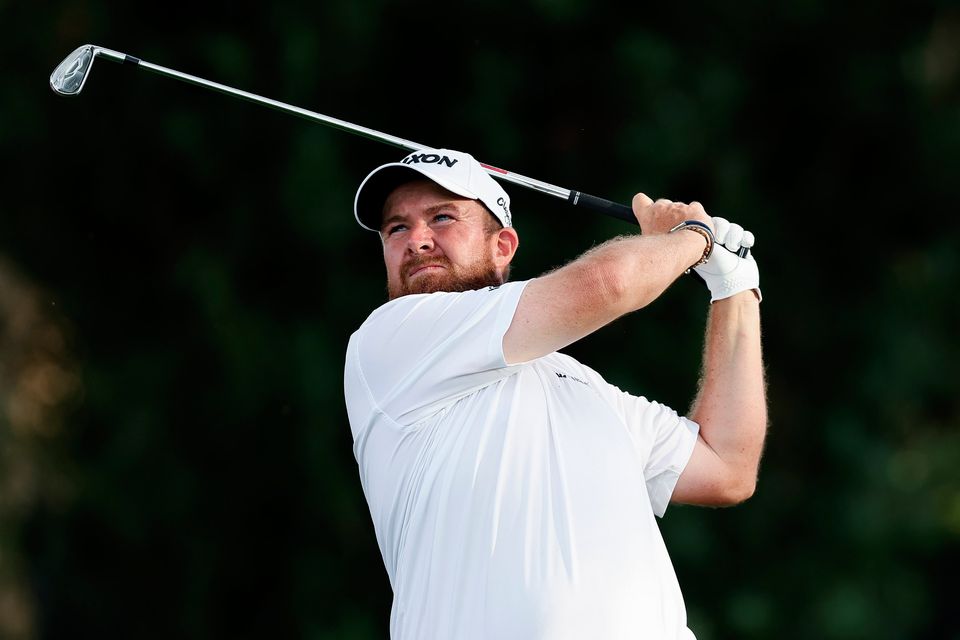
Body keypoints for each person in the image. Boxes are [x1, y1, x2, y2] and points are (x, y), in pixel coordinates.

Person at [343, 147, 766, 640]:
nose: (417, 240)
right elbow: (607, 284)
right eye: (396, 228)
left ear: (502, 246)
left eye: (442, 217)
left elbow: (726, 467)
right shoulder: (392, 341)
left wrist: (734, 284)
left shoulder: (578, 383)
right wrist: (694, 238)